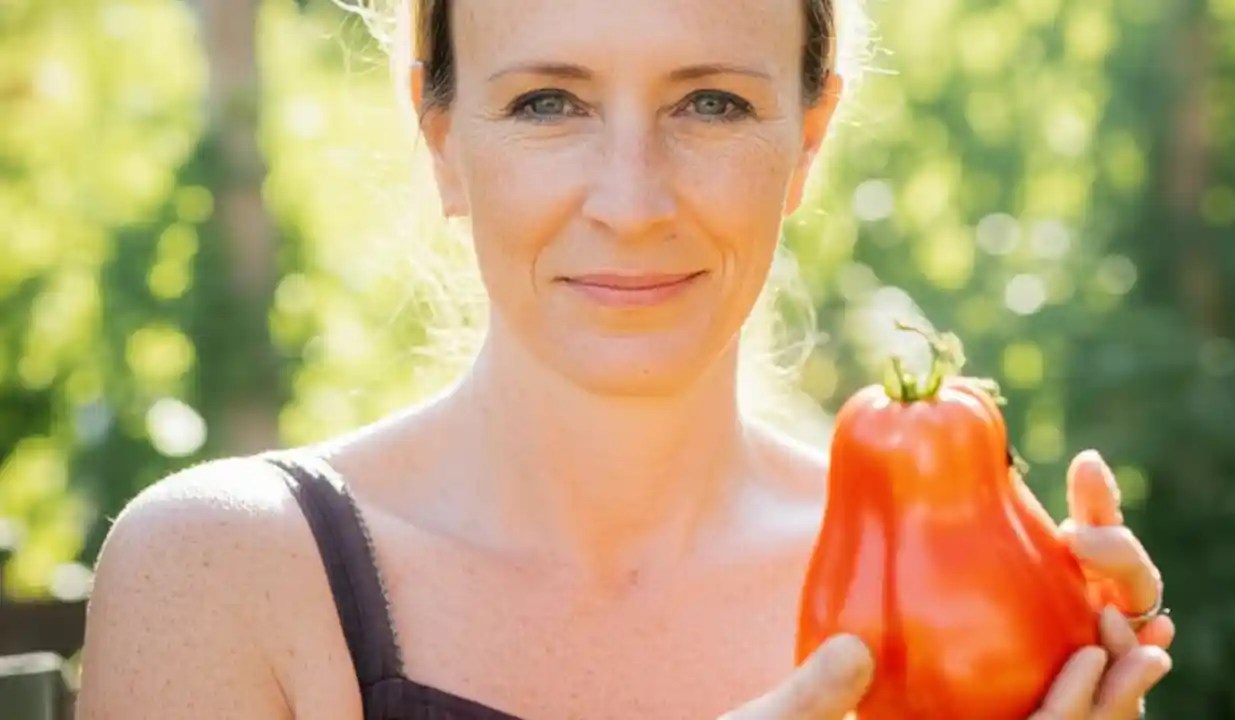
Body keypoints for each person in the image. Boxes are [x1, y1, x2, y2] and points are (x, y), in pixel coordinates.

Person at [76, 0, 1175, 718]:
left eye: (711, 102)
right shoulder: (226, 571)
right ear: (439, 133)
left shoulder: (962, 603)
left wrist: (1039, 652)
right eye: (546, 103)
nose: (632, 202)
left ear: (807, 137)